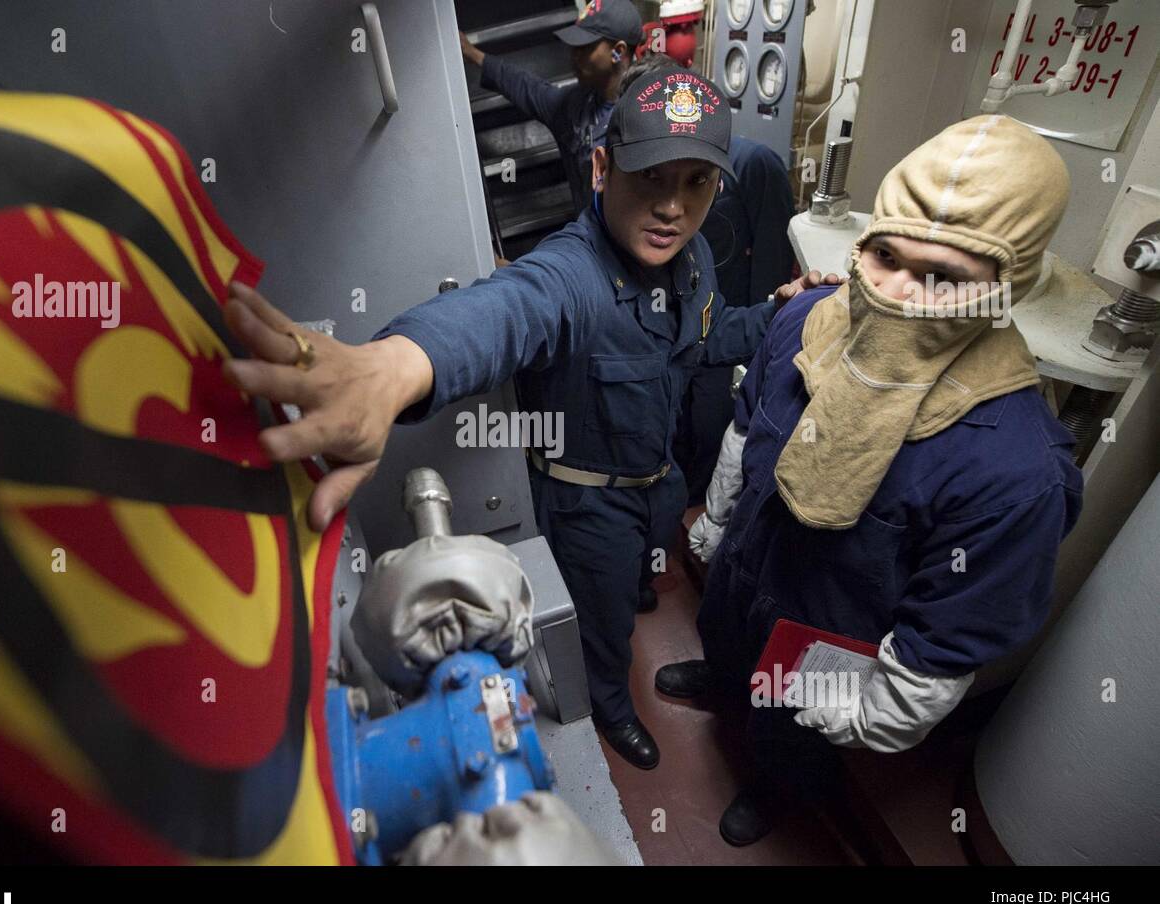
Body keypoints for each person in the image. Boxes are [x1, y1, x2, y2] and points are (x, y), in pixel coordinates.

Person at [220, 64, 837, 770]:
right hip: (590, 506)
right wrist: (393, 366)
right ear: (603, 168)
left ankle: (634, 586)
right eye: (651, 178)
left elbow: (711, 332)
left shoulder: (691, 258)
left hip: (657, 485)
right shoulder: (571, 273)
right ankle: (611, 708)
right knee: (604, 631)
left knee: (639, 583)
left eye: (695, 182)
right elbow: (504, 311)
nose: (672, 206)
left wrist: (781, 308)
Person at [657, 115, 1083, 845]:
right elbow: (747, 423)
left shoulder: (1015, 472)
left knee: (787, 735)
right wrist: (718, 523)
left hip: (825, 640)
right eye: (885, 255)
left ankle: (774, 785)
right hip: (746, 574)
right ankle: (725, 679)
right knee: (725, 642)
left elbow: (942, 642)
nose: (898, 293)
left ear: (1004, 288)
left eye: (944, 277)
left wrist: (855, 712)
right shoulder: (809, 321)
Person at [673, 134, 795, 513]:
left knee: (713, 422)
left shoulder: (756, 162)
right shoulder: (667, 170)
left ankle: (702, 510)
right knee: (680, 422)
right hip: (678, 321)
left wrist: (765, 333)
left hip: (730, 324)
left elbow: (773, 252)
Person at [460, 0, 647, 214]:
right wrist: (473, 54)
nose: (574, 57)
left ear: (618, 51)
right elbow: (526, 87)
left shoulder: (648, 113)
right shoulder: (574, 108)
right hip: (589, 240)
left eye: (585, 48)